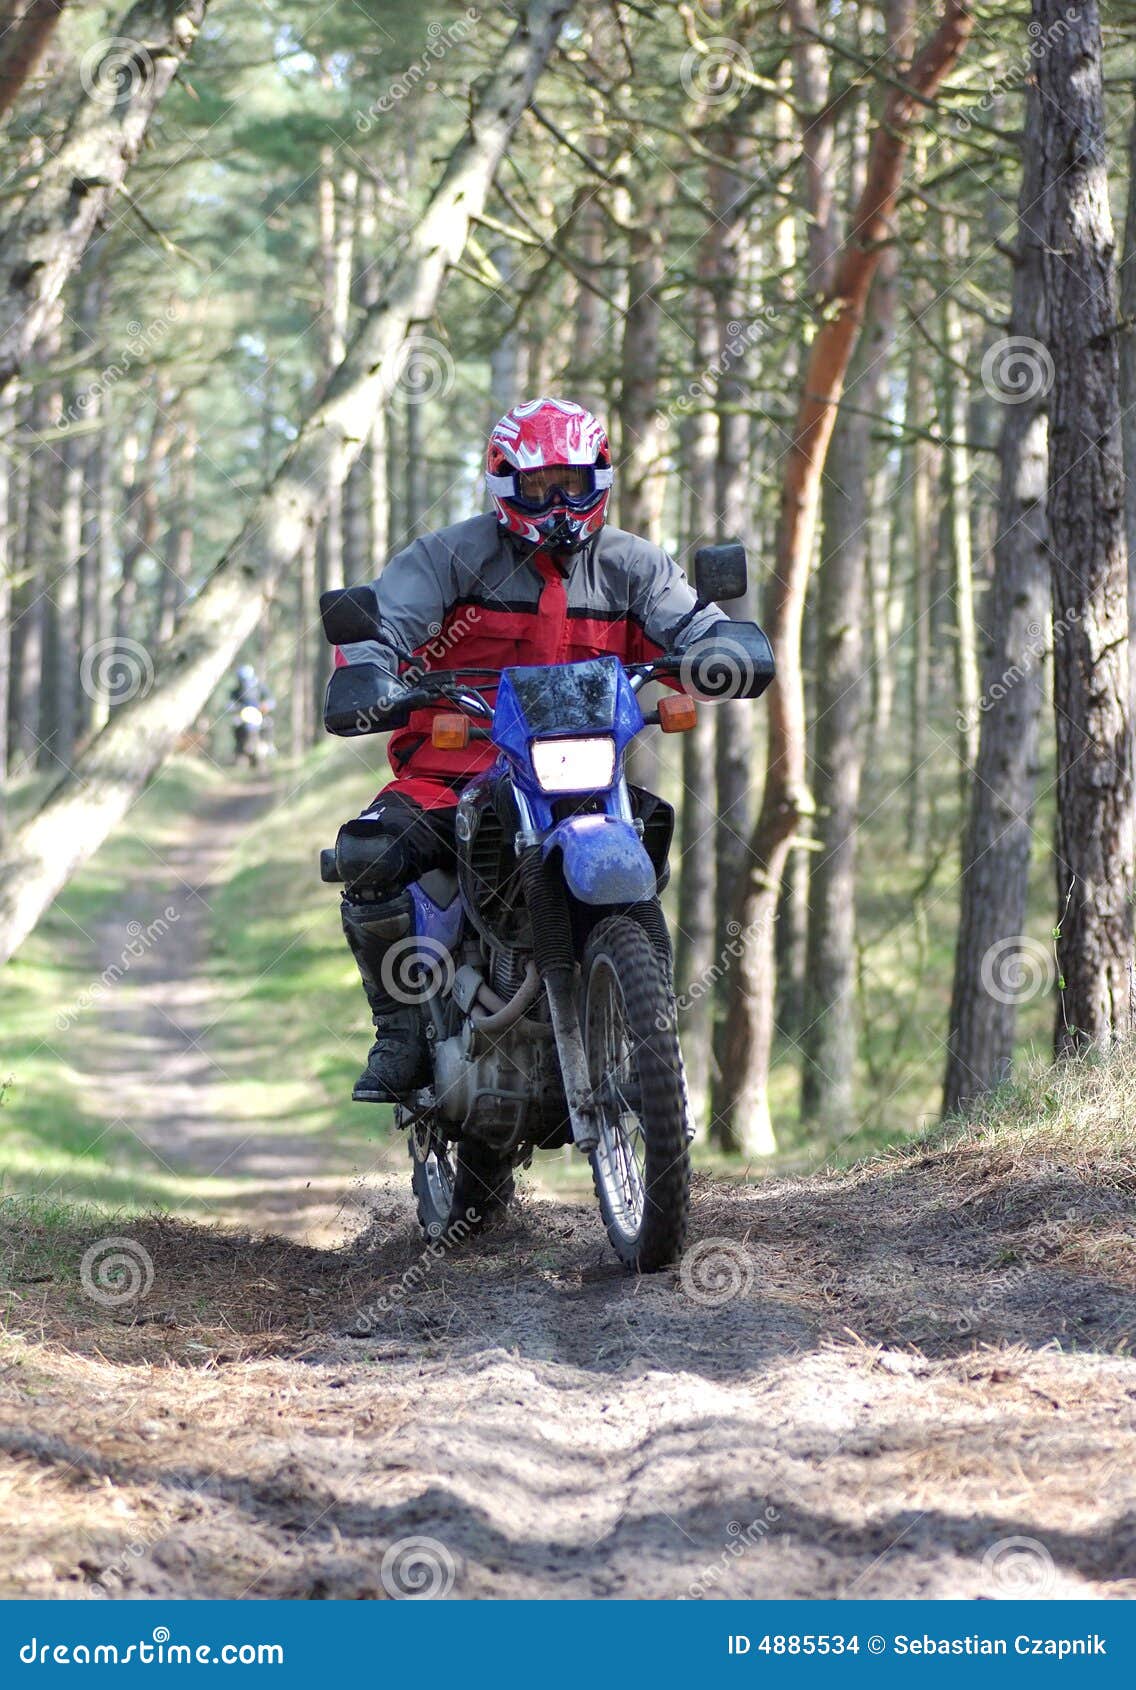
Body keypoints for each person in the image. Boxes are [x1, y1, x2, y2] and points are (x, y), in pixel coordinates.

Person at [327, 396, 727, 1103]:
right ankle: (400, 1034)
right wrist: (369, 672)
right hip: (455, 772)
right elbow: (380, 624)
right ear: (505, 483)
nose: (559, 504)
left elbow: (692, 620)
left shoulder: (632, 565)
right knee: (368, 852)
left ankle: (647, 1039)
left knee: (654, 829)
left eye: (572, 484)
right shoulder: (451, 556)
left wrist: (726, 647)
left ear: (599, 479)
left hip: (581, 775)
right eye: (540, 487)